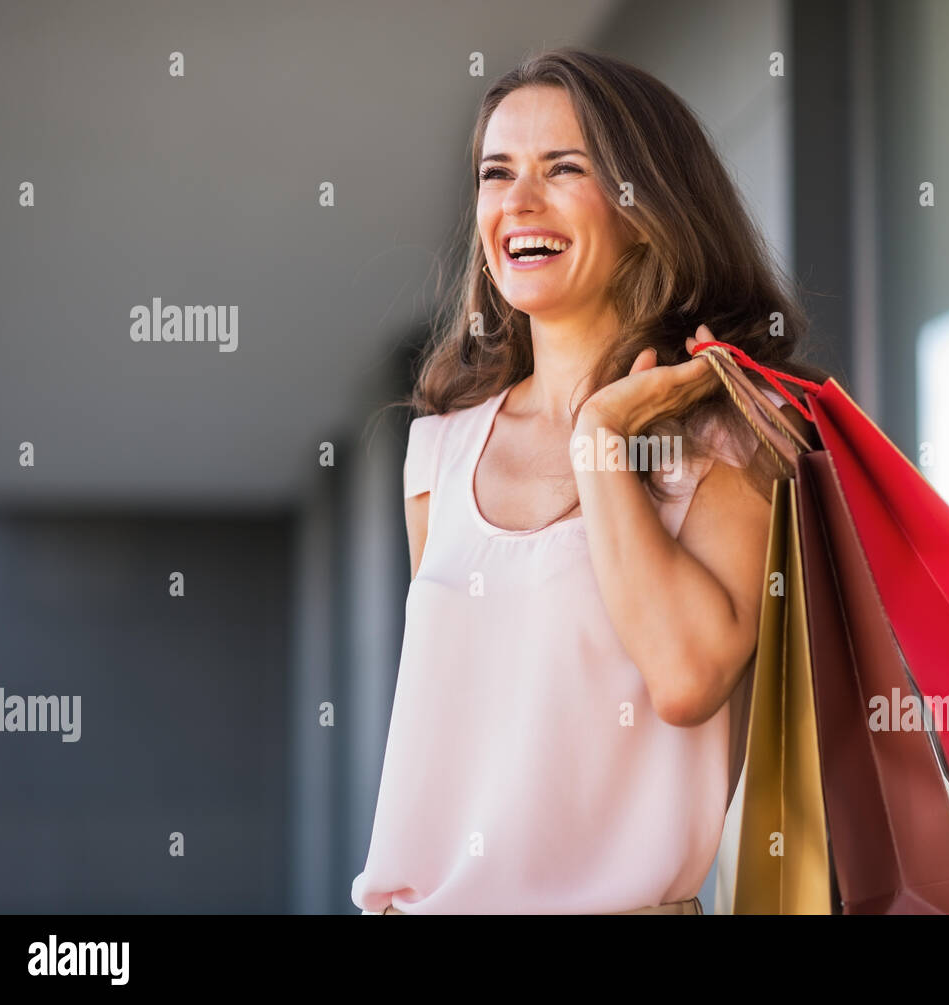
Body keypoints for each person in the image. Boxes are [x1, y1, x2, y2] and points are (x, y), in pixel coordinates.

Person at [351, 46, 828, 915]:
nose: (518, 202)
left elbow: (687, 680)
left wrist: (603, 437)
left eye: (563, 169)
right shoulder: (439, 453)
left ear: (647, 211)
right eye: (498, 173)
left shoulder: (733, 437)